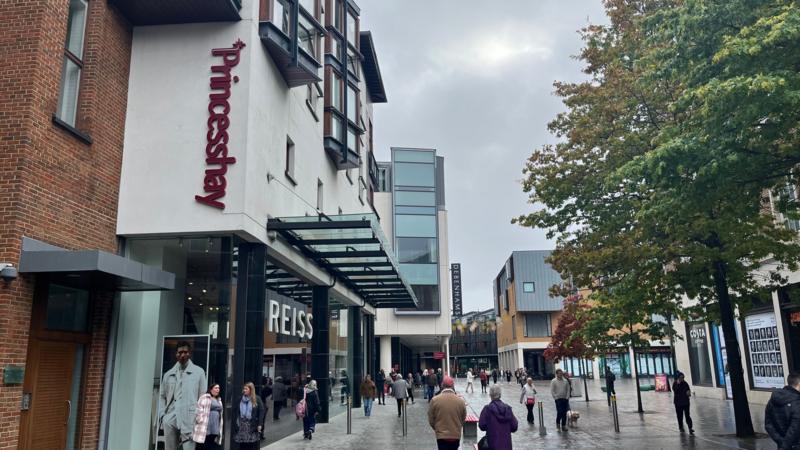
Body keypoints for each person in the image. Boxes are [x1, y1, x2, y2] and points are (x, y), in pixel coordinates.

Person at [158, 341, 207, 450]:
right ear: (176, 354)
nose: (182, 355)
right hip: (171, 415)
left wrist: (200, 419)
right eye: (180, 352)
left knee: (188, 448)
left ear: (190, 353)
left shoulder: (199, 372)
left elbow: (203, 398)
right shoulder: (168, 375)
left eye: (185, 352)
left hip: (189, 416)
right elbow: (162, 396)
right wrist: (162, 415)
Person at [428, 376, 467, 450]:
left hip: (441, 435)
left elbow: (431, 419)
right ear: (453, 386)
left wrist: (437, 428)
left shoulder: (435, 400)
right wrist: (458, 427)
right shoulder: (460, 401)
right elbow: (463, 418)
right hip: (455, 434)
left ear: (442, 385)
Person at [766, 372, 800, 449]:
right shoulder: (797, 402)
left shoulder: (773, 400)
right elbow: (795, 428)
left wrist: (780, 441)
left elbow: (768, 424)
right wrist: (785, 445)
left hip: (782, 444)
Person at [481, 384, 519, 450]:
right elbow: (514, 426)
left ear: (490, 395)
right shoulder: (508, 408)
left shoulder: (487, 409)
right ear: (500, 394)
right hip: (506, 445)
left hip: (492, 444)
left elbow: (482, 425)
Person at [233, 382, 265, 450]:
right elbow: (235, 412)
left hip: (251, 425)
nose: (244, 390)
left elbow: (261, 411)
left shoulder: (257, 399)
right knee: (242, 445)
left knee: (251, 445)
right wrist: (235, 422)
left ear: (251, 390)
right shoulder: (240, 399)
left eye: (246, 389)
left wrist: (260, 424)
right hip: (241, 425)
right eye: (244, 389)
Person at [193, 384, 223, 450]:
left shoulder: (219, 399)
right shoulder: (205, 397)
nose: (218, 390)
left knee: (210, 443)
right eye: (216, 388)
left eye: (218, 388)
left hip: (215, 426)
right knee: (202, 444)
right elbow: (199, 409)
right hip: (205, 425)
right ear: (211, 389)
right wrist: (200, 419)